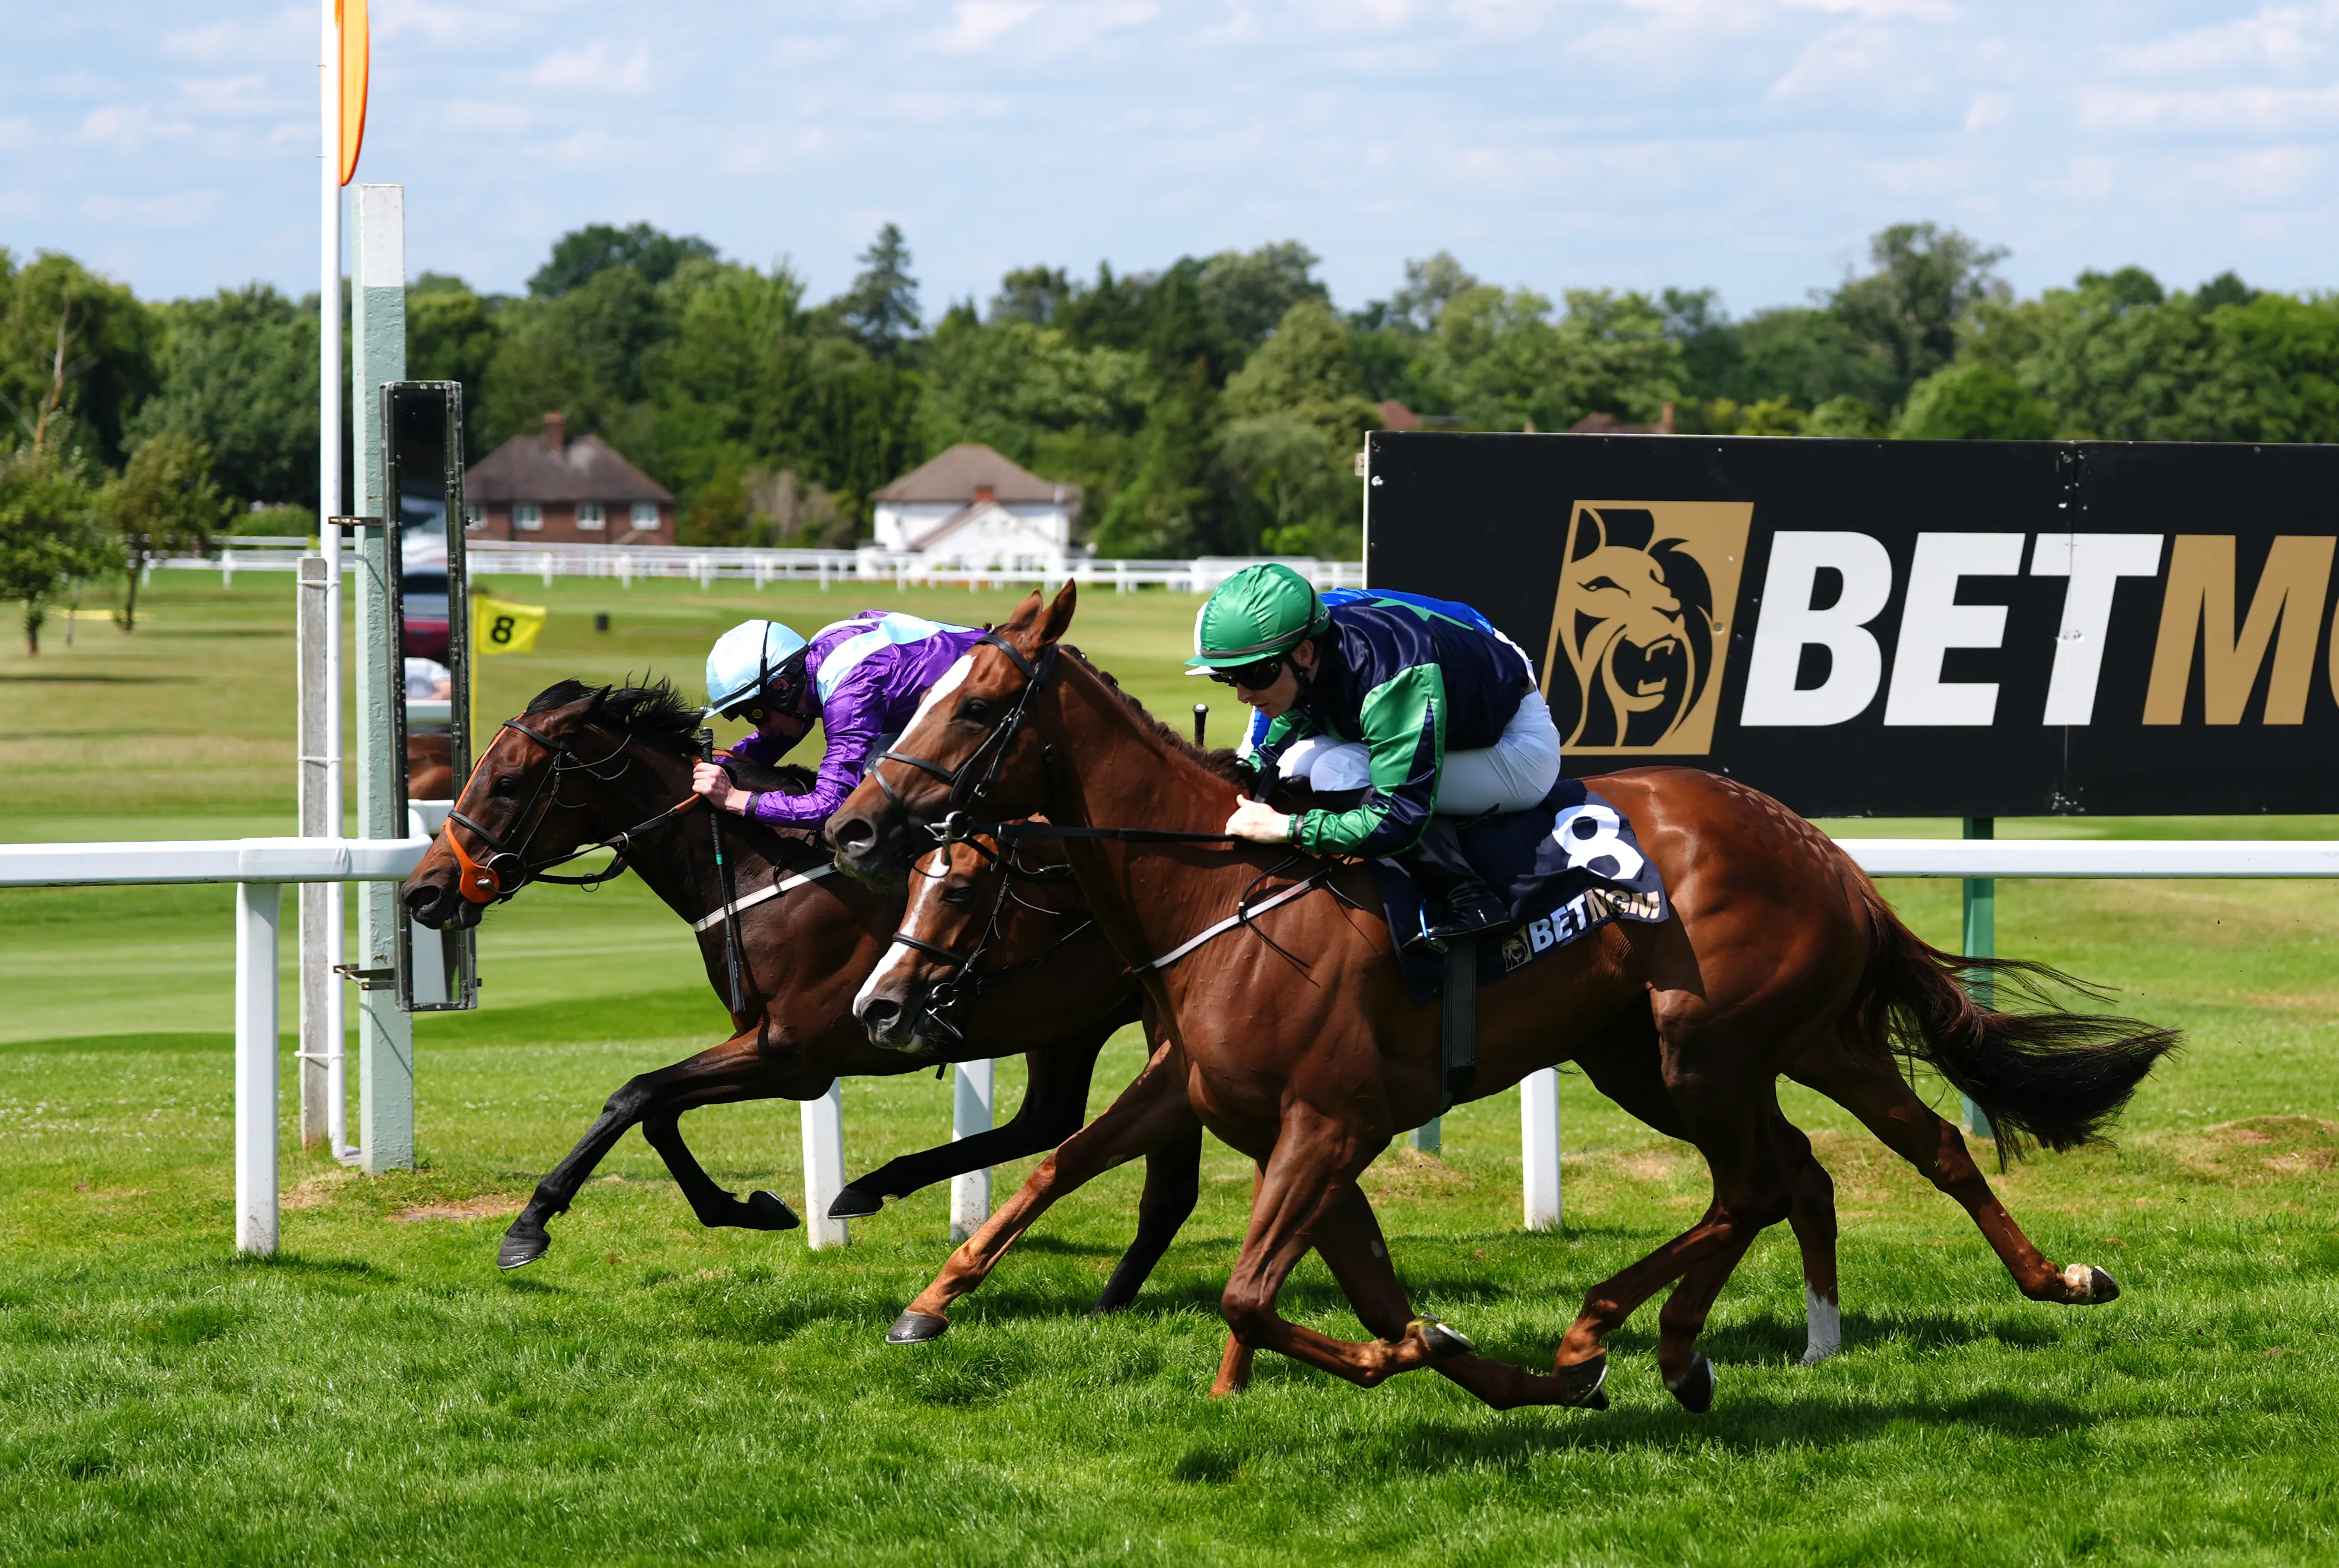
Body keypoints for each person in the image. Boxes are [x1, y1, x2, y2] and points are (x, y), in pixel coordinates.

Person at [1187, 564, 1562, 952]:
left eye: (1253, 674)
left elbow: (1399, 817)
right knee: (1297, 765)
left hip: (1517, 752)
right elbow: (1267, 755)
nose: (1242, 694)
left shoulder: (1391, 675)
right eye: (1228, 679)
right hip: (1460, 718)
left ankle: (1470, 897)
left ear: (1303, 653)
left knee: (1334, 770)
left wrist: (1286, 828)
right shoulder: (1311, 655)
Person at [694, 611, 987, 827]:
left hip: (1005, 709)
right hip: (977, 692)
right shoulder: (818, 654)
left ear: (782, 687)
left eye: (756, 713)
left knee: (877, 790)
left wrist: (735, 799)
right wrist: (718, 762)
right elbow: (788, 727)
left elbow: (831, 806)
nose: (759, 727)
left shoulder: (852, 694)